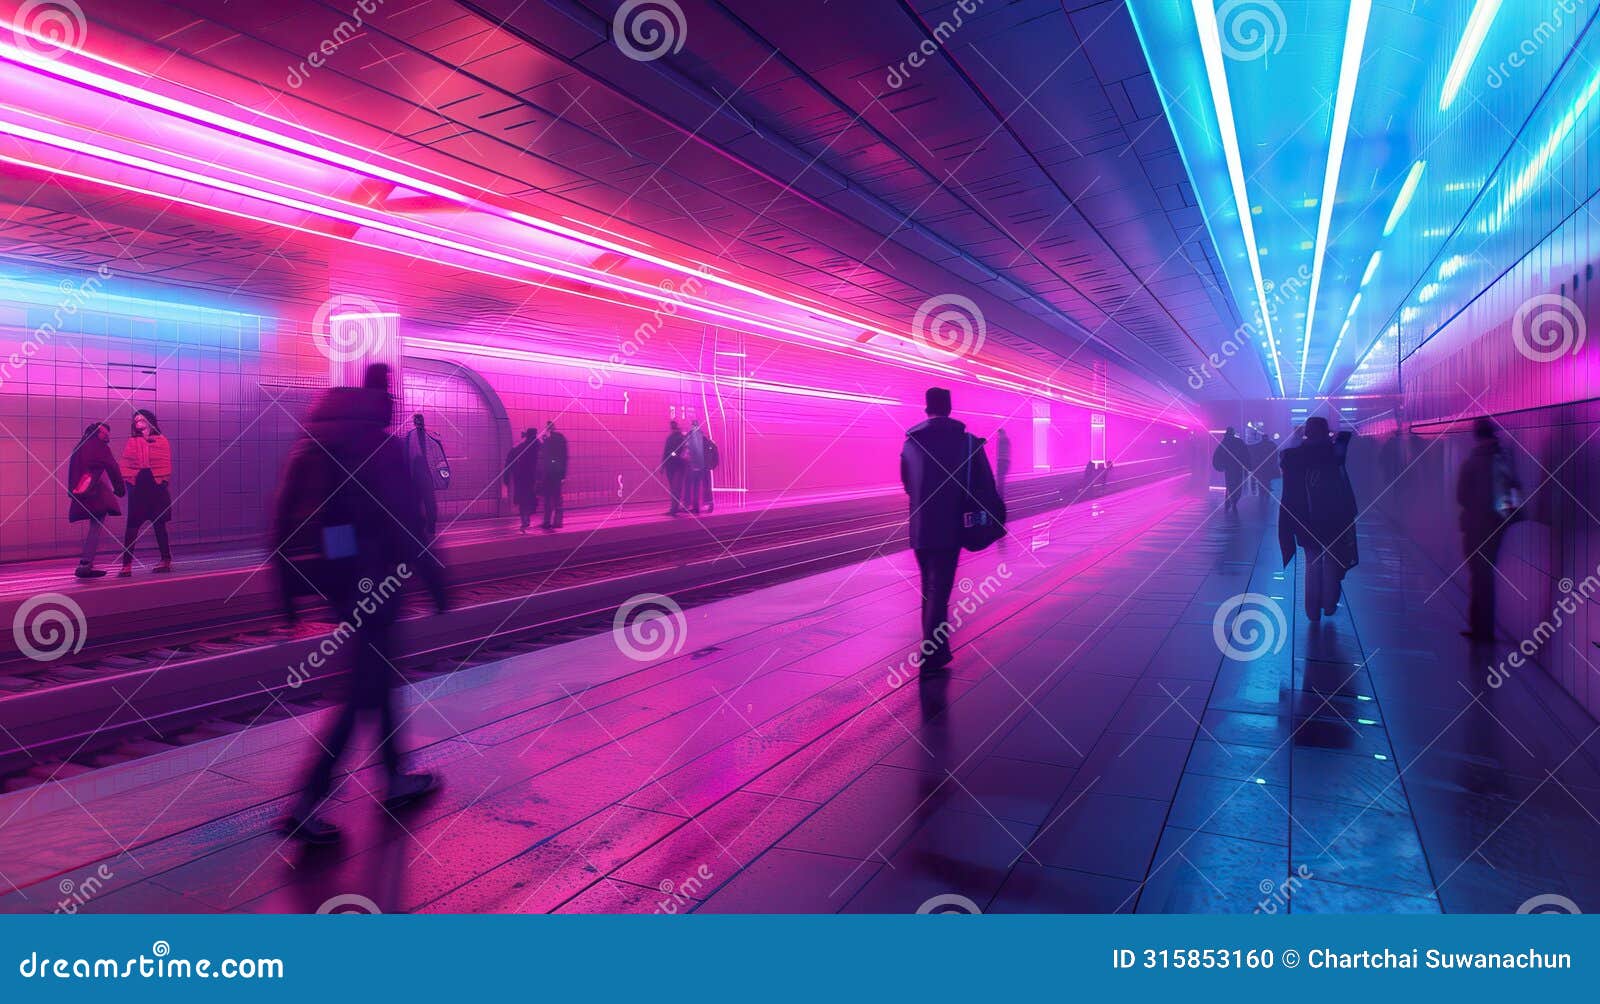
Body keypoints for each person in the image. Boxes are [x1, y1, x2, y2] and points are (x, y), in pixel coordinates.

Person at [271, 364, 447, 844]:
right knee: (357, 694)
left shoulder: (312, 442)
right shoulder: (377, 446)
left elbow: (283, 520)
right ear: (383, 401)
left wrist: (287, 598)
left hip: (338, 583)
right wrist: (436, 581)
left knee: (379, 678)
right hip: (378, 582)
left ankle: (394, 777)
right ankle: (305, 803)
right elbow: (407, 522)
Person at [900, 387, 1000, 672]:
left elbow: (908, 486)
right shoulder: (967, 443)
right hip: (951, 528)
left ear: (926, 409)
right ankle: (932, 652)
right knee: (939, 589)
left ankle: (936, 649)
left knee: (929, 588)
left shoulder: (910, 443)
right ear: (950, 409)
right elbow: (985, 485)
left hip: (920, 529)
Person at [1277, 417, 1358, 622]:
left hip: (1305, 517)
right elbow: (1345, 438)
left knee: (1312, 561)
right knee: (1332, 559)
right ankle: (1329, 605)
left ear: (1307, 433)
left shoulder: (1293, 456)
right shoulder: (1333, 453)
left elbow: (1289, 488)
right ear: (1325, 432)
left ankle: (1312, 611)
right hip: (1333, 516)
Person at [1456, 417, 1520, 642]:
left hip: (1475, 528)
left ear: (1476, 435)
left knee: (1478, 576)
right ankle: (1484, 628)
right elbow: (1514, 490)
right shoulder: (1503, 459)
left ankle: (1479, 628)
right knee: (1486, 575)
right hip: (1496, 527)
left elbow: (1461, 496)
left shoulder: (1472, 463)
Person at [119, 409, 174, 575]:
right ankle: (126, 564)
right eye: (136, 421)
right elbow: (125, 463)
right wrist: (130, 482)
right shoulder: (131, 441)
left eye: (141, 419)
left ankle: (165, 560)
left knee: (159, 525)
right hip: (138, 485)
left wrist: (162, 481)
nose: (138, 422)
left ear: (150, 421)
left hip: (156, 485)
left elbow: (165, 462)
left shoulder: (162, 440)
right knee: (132, 526)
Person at [67, 422, 125, 579]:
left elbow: (73, 469)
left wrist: (72, 491)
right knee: (96, 526)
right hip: (95, 492)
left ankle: (86, 563)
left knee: (95, 525)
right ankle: (85, 564)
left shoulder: (80, 446)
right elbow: (113, 467)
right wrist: (120, 489)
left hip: (82, 491)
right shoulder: (100, 447)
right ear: (97, 432)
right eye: (104, 432)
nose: (107, 435)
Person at [403, 413, 449, 538]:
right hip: (423, 474)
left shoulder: (411, 437)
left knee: (421, 503)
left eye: (419, 420)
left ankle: (425, 528)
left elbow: (407, 456)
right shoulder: (429, 437)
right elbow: (439, 457)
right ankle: (428, 528)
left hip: (419, 475)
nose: (418, 422)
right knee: (427, 503)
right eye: (417, 420)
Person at [503, 428, 541, 533]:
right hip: (532, 478)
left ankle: (524, 518)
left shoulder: (519, 447)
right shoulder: (537, 446)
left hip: (520, 478)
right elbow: (543, 461)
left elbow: (509, 460)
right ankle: (527, 515)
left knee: (522, 500)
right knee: (530, 499)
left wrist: (506, 477)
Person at [538, 420, 568, 530]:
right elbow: (564, 458)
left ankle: (547, 522)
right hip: (558, 475)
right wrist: (563, 475)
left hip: (548, 474)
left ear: (548, 429)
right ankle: (558, 522)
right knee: (557, 499)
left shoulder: (548, 441)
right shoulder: (561, 440)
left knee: (548, 499)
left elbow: (544, 458)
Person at [1212, 427, 1250, 512]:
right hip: (1238, 468)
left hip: (1229, 468)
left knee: (1230, 485)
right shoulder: (1239, 442)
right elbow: (1246, 454)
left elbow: (1217, 455)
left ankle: (1229, 502)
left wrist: (1219, 466)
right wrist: (1248, 466)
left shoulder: (1224, 443)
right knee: (1238, 485)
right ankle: (1234, 502)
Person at [683, 419, 713, 515]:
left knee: (695, 486)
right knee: (706, 486)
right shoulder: (704, 437)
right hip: (704, 466)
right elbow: (710, 450)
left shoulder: (690, 436)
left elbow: (687, 450)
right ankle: (709, 504)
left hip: (695, 466)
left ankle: (695, 507)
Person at [662, 420, 687, 515]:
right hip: (679, 466)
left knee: (674, 488)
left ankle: (674, 508)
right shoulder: (681, 438)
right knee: (677, 487)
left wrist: (663, 465)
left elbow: (666, 452)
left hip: (672, 466)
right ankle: (674, 507)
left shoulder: (671, 438)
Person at [994, 428, 1011, 498]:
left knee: (1000, 478)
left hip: (1002, 461)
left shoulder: (1002, 440)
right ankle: (1001, 493)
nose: (998, 435)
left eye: (999, 434)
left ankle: (1000, 494)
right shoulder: (1005, 440)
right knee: (1001, 478)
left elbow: (1003, 452)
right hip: (1004, 460)